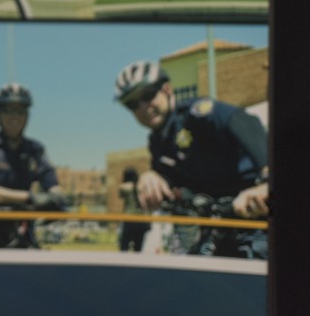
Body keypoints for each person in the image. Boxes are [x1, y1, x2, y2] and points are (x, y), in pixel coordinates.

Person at [113, 60, 268, 259]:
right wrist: (152, 176)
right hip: (214, 226)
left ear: (167, 89)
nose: (143, 107)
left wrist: (267, 177)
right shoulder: (157, 142)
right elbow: (169, 177)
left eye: (148, 95)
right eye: (132, 104)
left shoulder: (196, 114)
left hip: (255, 217)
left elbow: (244, 121)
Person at [0, 83, 66, 248]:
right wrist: (30, 197)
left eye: (20, 111)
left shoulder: (35, 150)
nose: (14, 117)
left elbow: (54, 189)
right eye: (8, 111)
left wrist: (55, 199)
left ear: (27, 116)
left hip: (22, 235)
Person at [117, 166, 150, 252]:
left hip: (129, 218)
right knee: (138, 248)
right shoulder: (142, 186)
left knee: (124, 245)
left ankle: (123, 264)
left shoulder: (124, 187)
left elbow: (120, 195)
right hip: (142, 219)